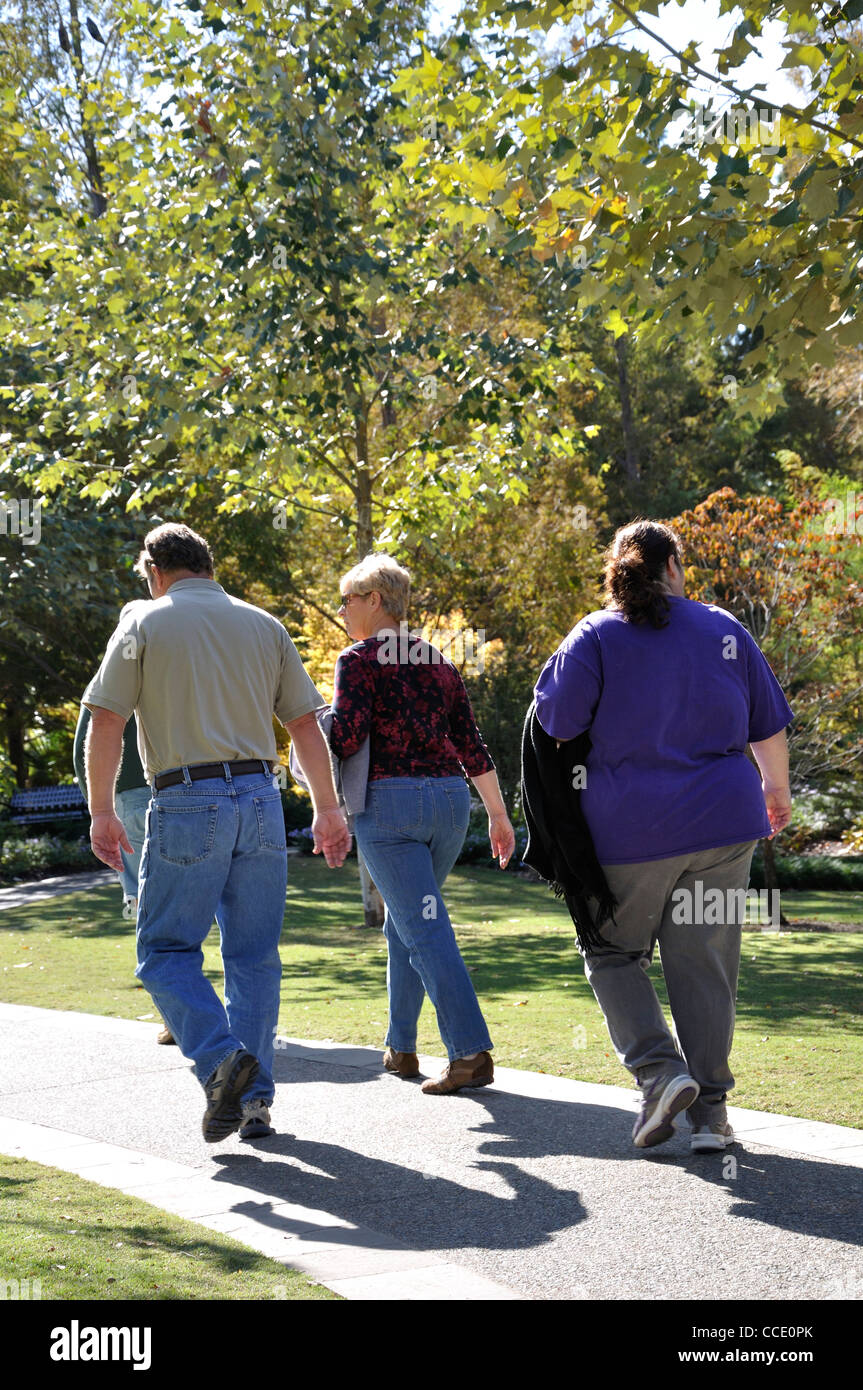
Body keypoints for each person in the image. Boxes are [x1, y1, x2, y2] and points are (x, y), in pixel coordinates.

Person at [83, 523, 351, 1142]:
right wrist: (328, 809)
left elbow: (105, 719)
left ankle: (221, 1061)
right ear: (208, 565)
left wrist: (101, 810)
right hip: (260, 799)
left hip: (186, 800)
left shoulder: (143, 624)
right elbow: (307, 728)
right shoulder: (264, 625)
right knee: (253, 956)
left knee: (165, 952)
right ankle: (254, 1103)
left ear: (155, 570)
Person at [533, 521, 793, 1153]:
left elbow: (558, 721)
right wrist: (777, 791)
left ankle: (658, 1072)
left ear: (618, 571)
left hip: (632, 829)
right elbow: (768, 728)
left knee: (612, 953)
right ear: (673, 565)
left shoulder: (595, 634)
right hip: (727, 825)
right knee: (704, 966)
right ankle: (711, 1117)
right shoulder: (725, 628)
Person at [329, 553, 516, 1095]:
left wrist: (311, 722)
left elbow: (343, 739)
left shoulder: (358, 660)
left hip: (390, 808)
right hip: (451, 806)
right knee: (406, 923)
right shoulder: (437, 660)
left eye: (347, 600)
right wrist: (499, 816)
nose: (342, 610)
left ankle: (470, 1053)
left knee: (425, 928)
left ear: (375, 601)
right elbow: (471, 745)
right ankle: (401, 1046)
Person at [74, 695, 175, 1046]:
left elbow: (82, 748)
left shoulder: (112, 679)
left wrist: (99, 809)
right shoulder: (168, 671)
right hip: (175, 790)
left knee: (144, 905)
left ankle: (174, 1016)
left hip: (128, 801)